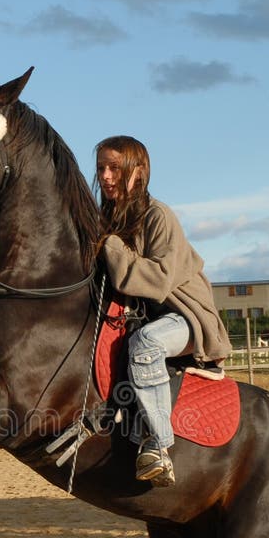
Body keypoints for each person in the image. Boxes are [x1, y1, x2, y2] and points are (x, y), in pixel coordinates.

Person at [95, 135, 232, 487]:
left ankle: (158, 445)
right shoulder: (107, 217)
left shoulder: (159, 216)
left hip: (188, 318)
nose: (106, 176)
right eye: (101, 168)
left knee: (146, 343)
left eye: (114, 168)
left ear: (137, 171)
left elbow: (156, 281)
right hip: (146, 316)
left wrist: (108, 245)